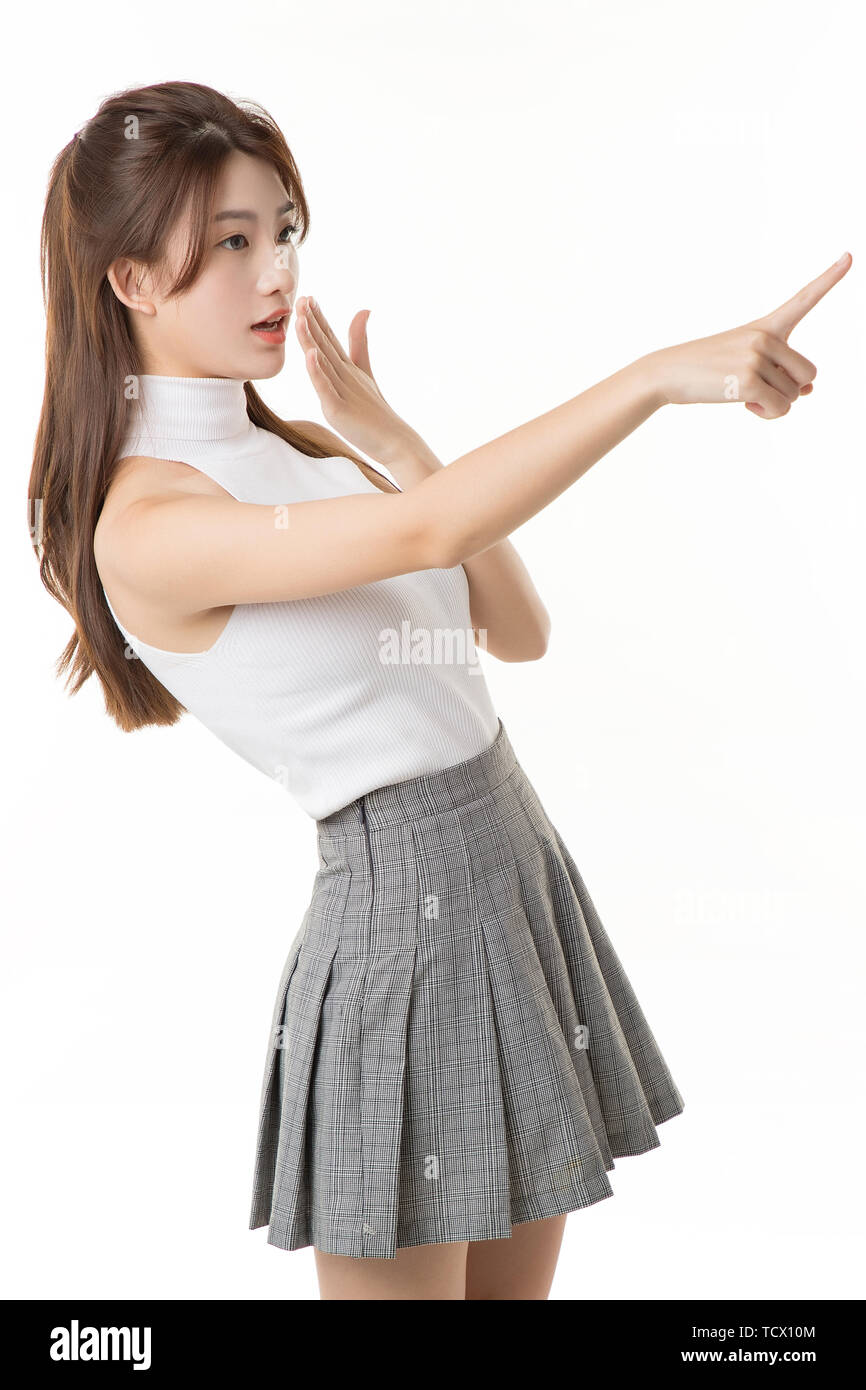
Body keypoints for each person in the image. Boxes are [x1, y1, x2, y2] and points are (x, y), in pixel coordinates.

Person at [29, 80, 851, 1301]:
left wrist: (394, 437)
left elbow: (516, 628)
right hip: (396, 925)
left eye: (284, 230)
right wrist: (653, 376)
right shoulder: (147, 523)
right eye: (230, 244)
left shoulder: (295, 454)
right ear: (133, 281)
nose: (275, 276)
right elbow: (427, 536)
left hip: (507, 870)